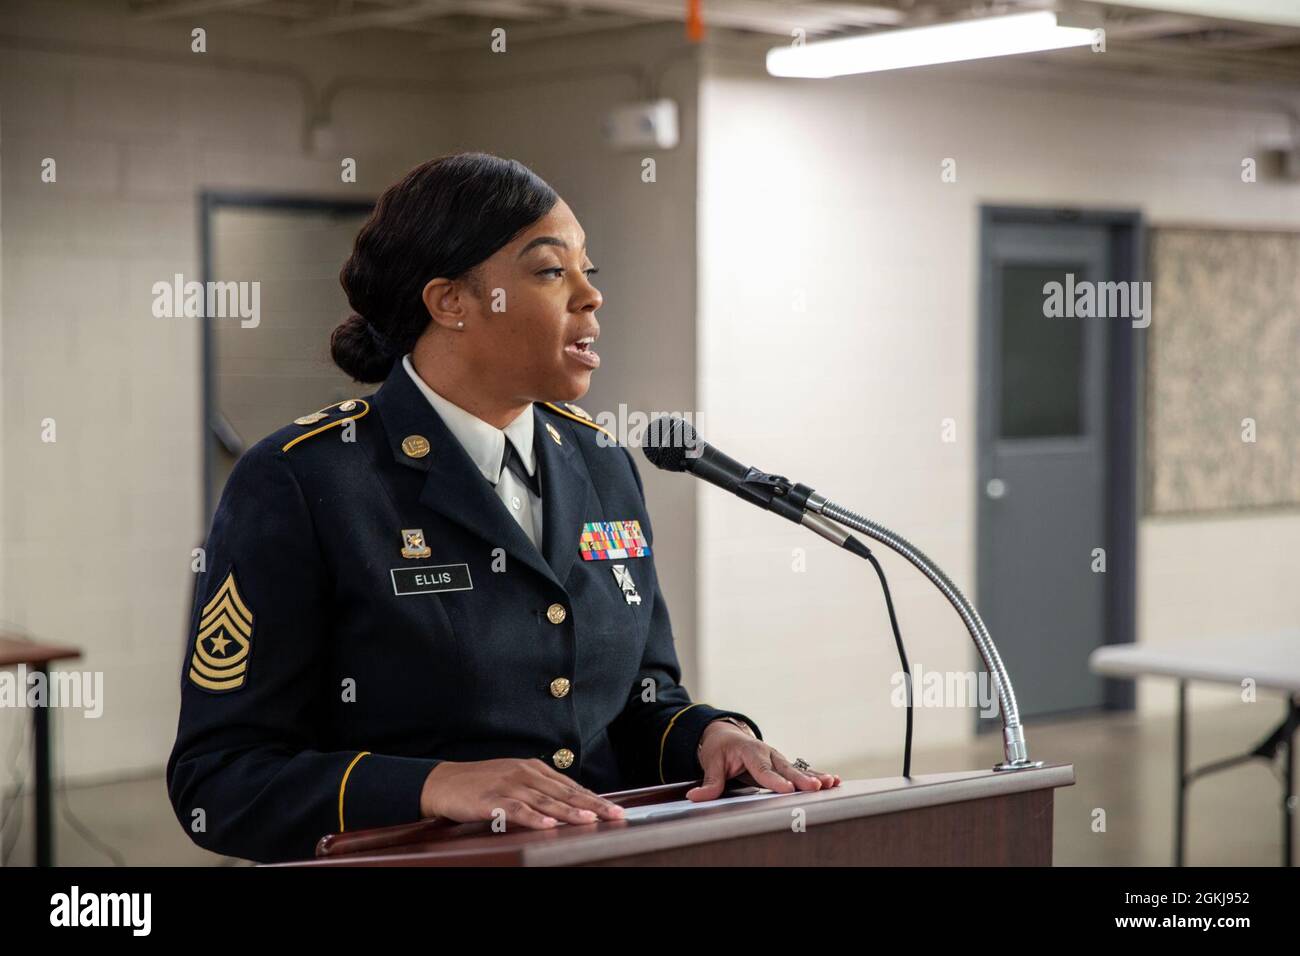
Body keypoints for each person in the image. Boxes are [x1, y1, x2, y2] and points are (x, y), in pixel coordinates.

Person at [166, 152, 839, 863]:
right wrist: (432, 786)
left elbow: (642, 695)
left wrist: (709, 735)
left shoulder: (601, 461)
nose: (590, 296)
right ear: (450, 302)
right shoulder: (303, 479)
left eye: (589, 271)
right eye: (552, 271)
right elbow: (220, 782)